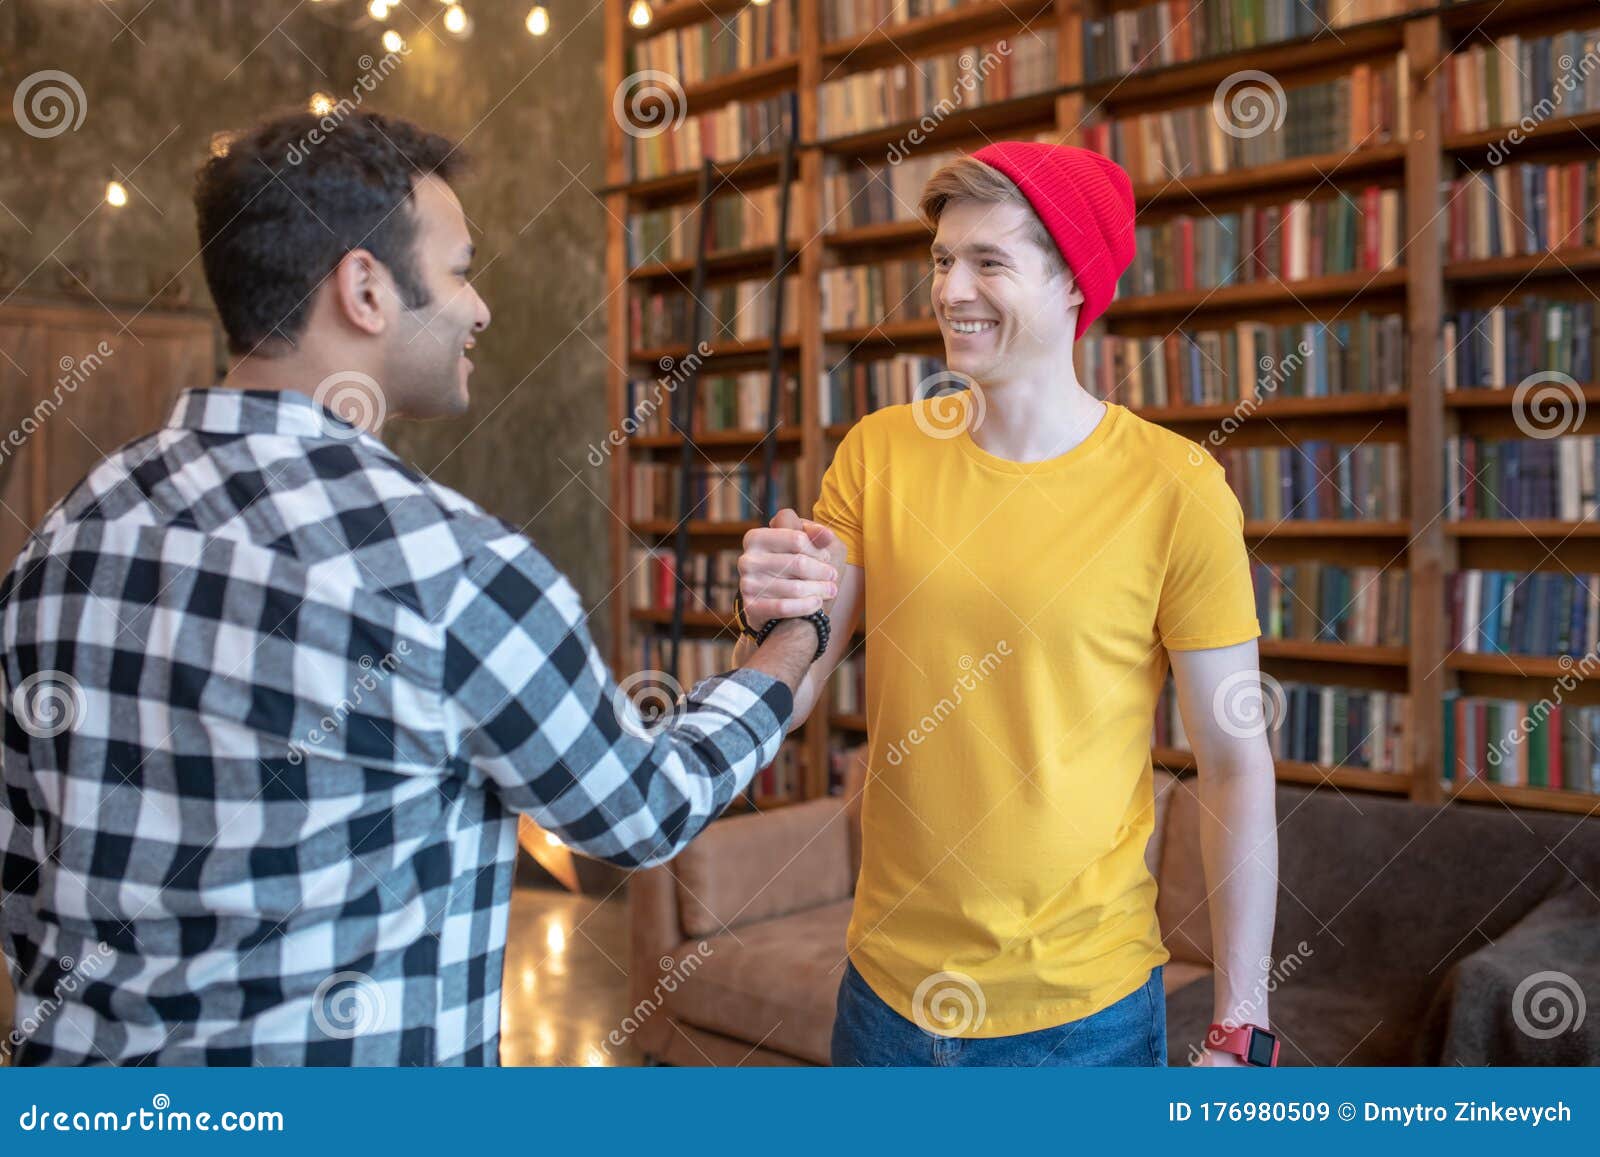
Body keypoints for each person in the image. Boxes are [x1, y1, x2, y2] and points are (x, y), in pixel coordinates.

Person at [0, 110, 835, 1066]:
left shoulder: (69, 529)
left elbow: (21, 859)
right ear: (365, 289)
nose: (478, 309)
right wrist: (789, 645)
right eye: (461, 269)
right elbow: (641, 811)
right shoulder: (452, 569)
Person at [735, 142, 1280, 1067]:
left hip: (1085, 1015)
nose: (952, 289)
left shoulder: (1176, 487)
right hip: (883, 1001)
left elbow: (1233, 763)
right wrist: (772, 605)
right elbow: (797, 677)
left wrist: (1240, 1020)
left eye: (990, 262)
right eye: (944, 261)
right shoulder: (877, 453)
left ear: (1074, 283)